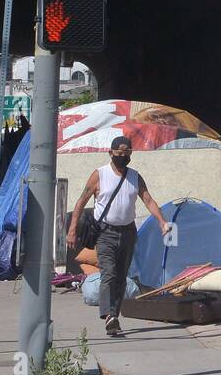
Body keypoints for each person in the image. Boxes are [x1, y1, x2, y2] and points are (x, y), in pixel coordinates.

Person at [66, 135, 169, 336]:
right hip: (106, 232)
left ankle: (114, 315)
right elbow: (80, 201)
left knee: (121, 277)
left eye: (126, 153)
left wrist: (162, 221)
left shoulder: (135, 177)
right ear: (111, 153)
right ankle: (108, 315)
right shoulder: (100, 175)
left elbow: (148, 200)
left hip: (128, 232)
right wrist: (72, 231)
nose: (123, 156)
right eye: (119, 153)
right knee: (109, 273)